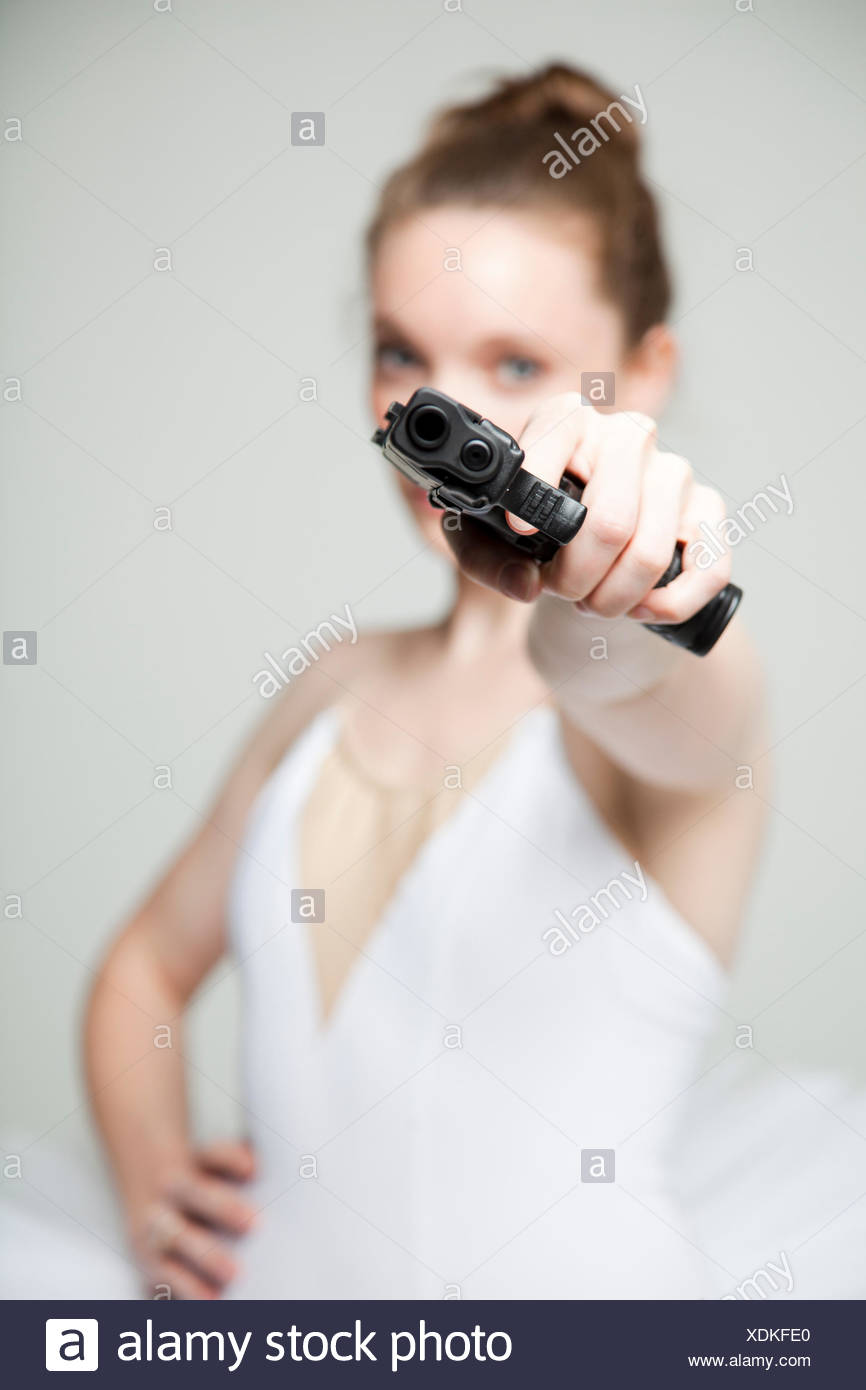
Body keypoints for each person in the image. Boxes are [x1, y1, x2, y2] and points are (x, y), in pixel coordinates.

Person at [81, 62, 767, 1300]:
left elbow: (612, 671)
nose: (437, 410)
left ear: (643, 373)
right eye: (404, 351)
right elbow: (141, 967)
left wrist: (621, 581)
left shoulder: (674, 662)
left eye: (515, 363)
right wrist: (149, 1193)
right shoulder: (332, 684)